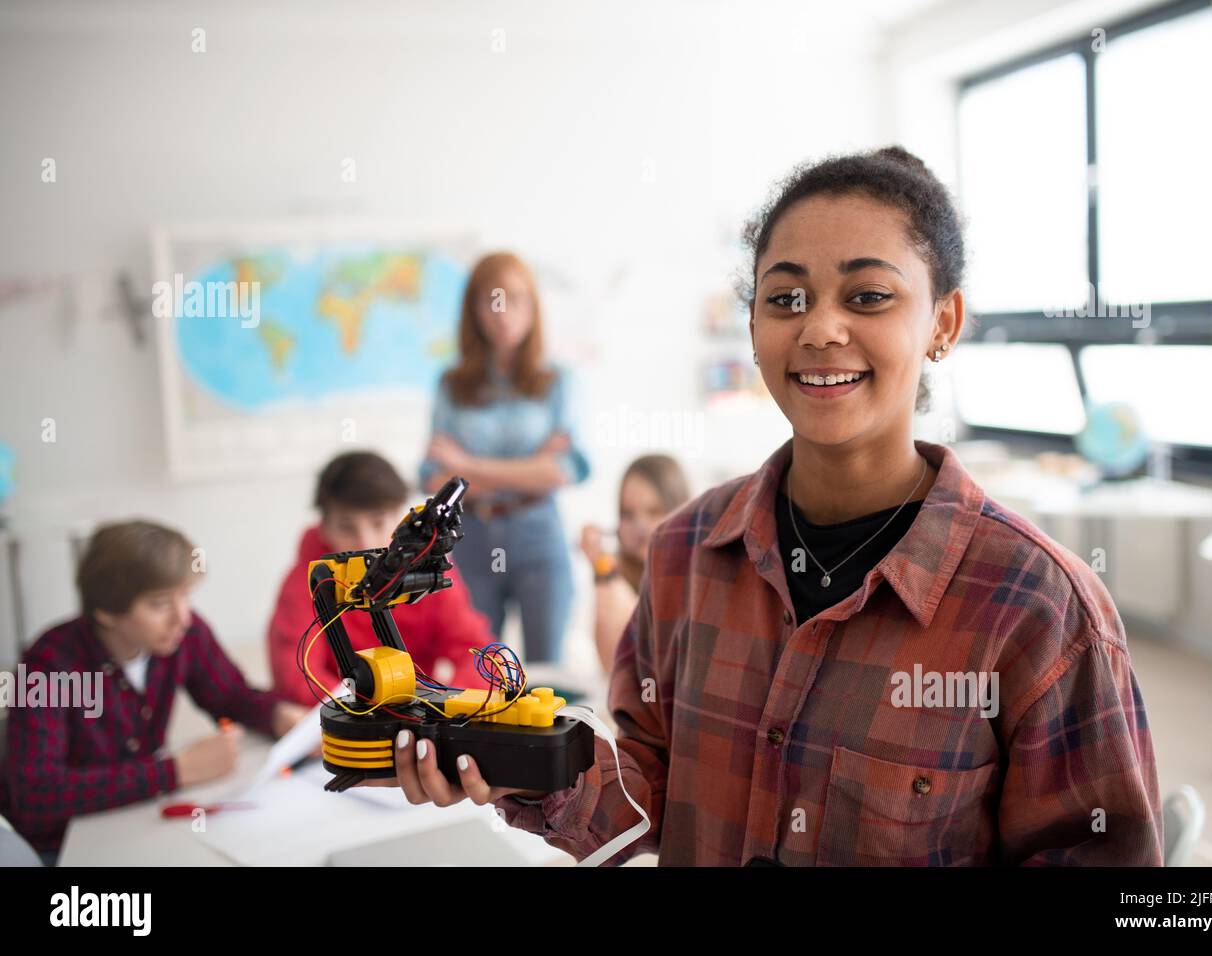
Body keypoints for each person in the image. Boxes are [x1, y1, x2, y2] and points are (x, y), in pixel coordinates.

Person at [369, 147, 1163, 866]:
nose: (820, 328)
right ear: (752, 326)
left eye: (868, 295)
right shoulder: (684, 553)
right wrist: (512, 767)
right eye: (786, 298)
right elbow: (648, 791)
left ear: (942, 324)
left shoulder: (1039, 608)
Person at [0, 520, 309, 862]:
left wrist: (277, 715)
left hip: (139, 821)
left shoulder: (183, 636)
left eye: (186, 596)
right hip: (64, 847)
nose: (184, 617)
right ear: (105, 612)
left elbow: (232, 696)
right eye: (160, 604)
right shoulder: (49, 664)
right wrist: (176, 771)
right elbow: (35, 795)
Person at [418, 252, 590, 665]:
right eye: (491, 300)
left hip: (538, 538)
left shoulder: (557, 381)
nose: (503, 313)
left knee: (548, 678)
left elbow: (563, 471)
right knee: (481, 672)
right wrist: (529, 468)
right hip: (471, 539)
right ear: (473, 309)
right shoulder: (451, 383)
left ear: (533, 306)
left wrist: (468, 465)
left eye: (516, 299)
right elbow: (433, 481)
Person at [267, 450, 493, 705]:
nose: (365, 541)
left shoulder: (427, 571)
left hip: (415, 713)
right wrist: (355, 715)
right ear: (324, 525)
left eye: (377, 523)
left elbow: (477, 651)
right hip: (343, 725)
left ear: (399, 516)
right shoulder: (306, 583)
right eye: (346, 527)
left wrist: (446, 708)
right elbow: (296, 673)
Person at [579, 455, 690, 673]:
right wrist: (600, 566)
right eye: (628, 514)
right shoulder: (612, 573)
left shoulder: (698, 575)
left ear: (681, 510)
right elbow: (612, 665)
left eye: (653, 511)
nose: (641, 526)